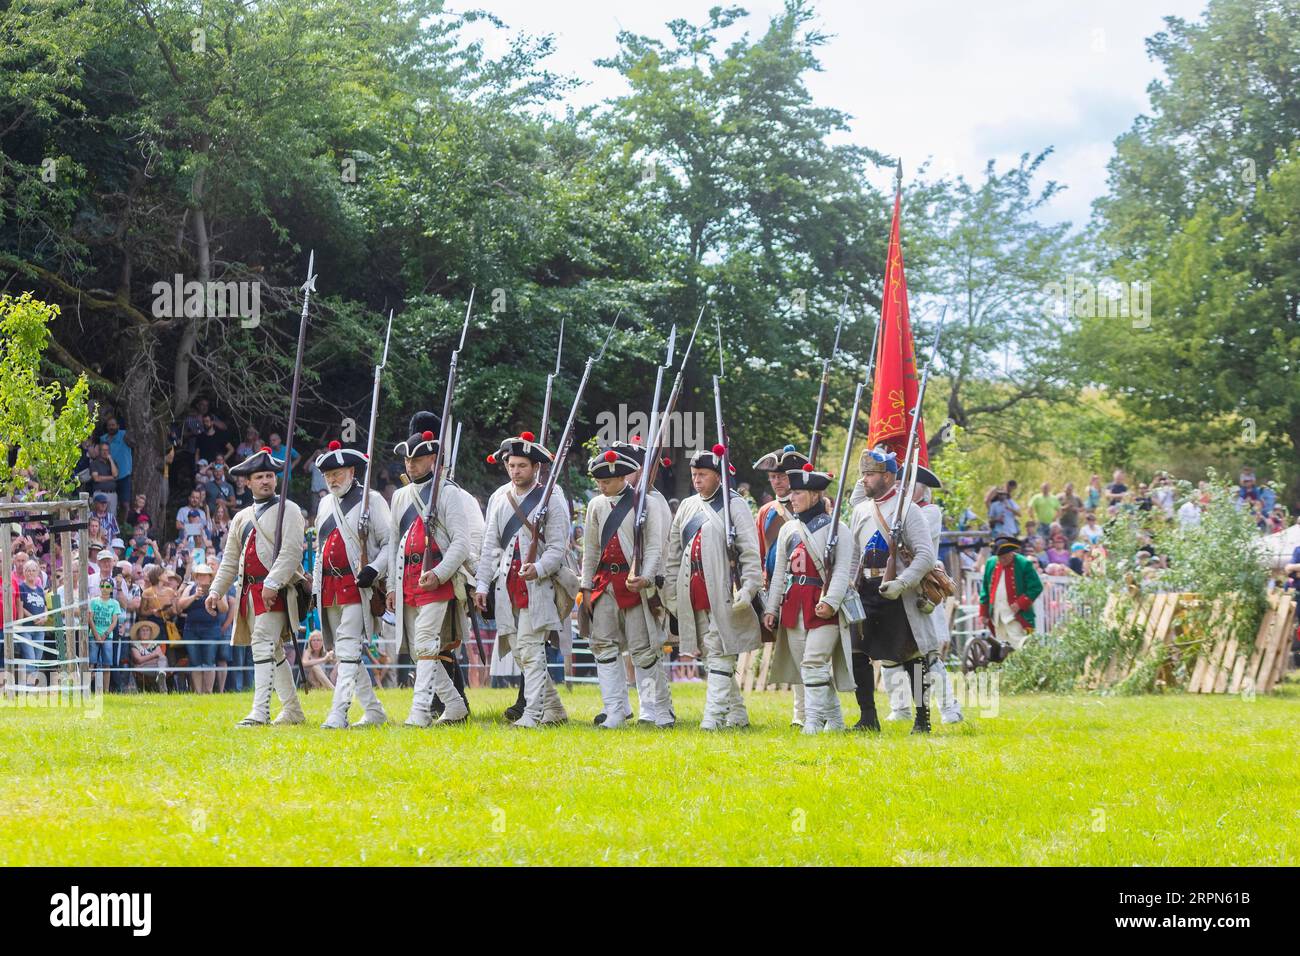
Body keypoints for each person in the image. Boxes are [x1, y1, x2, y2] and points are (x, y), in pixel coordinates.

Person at [475, 429, 573, 728]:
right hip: (507, 585)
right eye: (512, 465)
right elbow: (490, 545)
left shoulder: (550, 499)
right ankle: (554, 710)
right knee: (519, 652)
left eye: (522, 466)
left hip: (538, 586)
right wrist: (482, 584)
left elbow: (558, 546)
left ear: (535, 468)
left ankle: (533, 713)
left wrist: (540, 568)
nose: (515, 471)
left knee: (531, 650)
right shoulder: (502, 499)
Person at [663, 446, 763, 730]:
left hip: (724, 588)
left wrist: (750, 586)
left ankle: (713, 719)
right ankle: (738, 715)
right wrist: (671, 591)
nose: (697, 480)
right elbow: (673, 553)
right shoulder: (687, 506)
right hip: (693, 589)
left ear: (717, 475)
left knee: (720, 651)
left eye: (703, 474)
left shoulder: (735, 505)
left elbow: (749, 552)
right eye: (694, 474)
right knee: (711, 653)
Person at [206, 446, 307, 727]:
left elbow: (291, 552)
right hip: (249, 593)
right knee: (271, 651)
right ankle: (293, 711)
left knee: (262, 645)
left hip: (276, 592)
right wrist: (215, 590)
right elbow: (229, 560)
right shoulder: (241, 517)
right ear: (247, 482)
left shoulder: (290, 509)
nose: (266, 481)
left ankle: (260, 712)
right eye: (259, 477)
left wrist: (274, 583)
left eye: (269, 476)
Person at [386, 415, 475, 727]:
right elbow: (395, 542)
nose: (411, 465)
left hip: (437, 579)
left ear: (433, 459)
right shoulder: (399, 496)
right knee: (418, 649)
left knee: (425, 643)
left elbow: (461, 543)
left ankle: (420, 711)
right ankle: (454, 704)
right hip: (407, 578)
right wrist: (391, 587)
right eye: (408, 460)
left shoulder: (448, 492)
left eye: (418, 459)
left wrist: (440, 573)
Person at [849, 445, 941, 734]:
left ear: (888, 477)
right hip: (866, 589)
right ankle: (868, 718)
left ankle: (922, 718)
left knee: (911, 656)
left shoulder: (908, 509)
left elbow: (926, 555)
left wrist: (903, 583)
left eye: (870, 474)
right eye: (863, 473)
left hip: (899, 592)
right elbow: (854, 553)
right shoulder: (861, 509)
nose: (864, 479)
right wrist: (850, 585)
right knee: (856, 652)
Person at [579, 447, 672, 729]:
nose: (601, 486)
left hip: (635, 586)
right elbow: (591, 550)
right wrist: (584, 586)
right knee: (604, 647)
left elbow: (655, 545)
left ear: (622, 478)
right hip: (604, 584)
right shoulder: (596, 505)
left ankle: (651, 710)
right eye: (599, 482)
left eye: (606, 482)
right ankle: (615, 711)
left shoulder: (647, 503)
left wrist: (645, 577)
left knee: (643, 650)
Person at [761, 463, 856, 733]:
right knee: (809, 669)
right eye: (792, 493)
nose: (792, 498)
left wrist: (831, 601)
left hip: (822, 602)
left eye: (798, 493)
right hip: (793, 604)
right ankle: (835, 721)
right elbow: (780, 572)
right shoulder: (789, 530)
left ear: (815, 495)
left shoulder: (838, 529)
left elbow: (841, 571)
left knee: (814, 662)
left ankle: (812, 722)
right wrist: (771, 608)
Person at [312, 441, 390, 729]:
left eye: (338, 473)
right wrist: (315, 587)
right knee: (347, 653)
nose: (332, 479)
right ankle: (374, 711)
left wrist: (373, 568)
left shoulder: (372, 500)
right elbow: (321, 549)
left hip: (358, 584)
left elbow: (388, 543)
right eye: (328, 475)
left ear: (352, 471)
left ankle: (339, 712)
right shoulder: (324, 504)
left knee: (347, 648)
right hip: (329, 586)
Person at [752, 444, 808, 726]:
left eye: (782, 475)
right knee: (793, 652)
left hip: (807, 586)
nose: (777, 481)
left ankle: (817, 711)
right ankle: (800, 714)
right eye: (773, 476)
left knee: (811, 652)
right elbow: (760, 554)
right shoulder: (766, 512)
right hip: (777, 590)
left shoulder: (813, 506)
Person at [979, 536, 1044, 655]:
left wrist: (1020, 603)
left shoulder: (1024, 564)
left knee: (1018, 647)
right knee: (1001, 648)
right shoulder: (991, 563)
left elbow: (1036, 586)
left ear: (1011, 553)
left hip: (1016, 616)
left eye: (1004, 557)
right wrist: (983, 613)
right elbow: (985, 590)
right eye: (999, 557)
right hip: (997, 616)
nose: (1001, 560)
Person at [177, 563, 226, 693]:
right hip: (191, 629)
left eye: (205, 575)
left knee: (209, 661)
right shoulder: (191, 588)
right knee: (195, 661)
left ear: (211, 577)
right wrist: (194, 597)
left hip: (211, 629)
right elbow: (180, 605)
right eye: (199, 575)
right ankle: (199, 693)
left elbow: (224, 608)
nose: (202, 578)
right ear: (196, 577)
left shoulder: (217, 589)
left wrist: (215, 595)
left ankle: (208, 692)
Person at [99, 417, 135, 516]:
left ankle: (124, 526)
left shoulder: (124, 435)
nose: (111, 427)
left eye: (113, 425)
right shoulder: (103, 439)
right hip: (109, 475)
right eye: (109, 425)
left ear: (118, 426)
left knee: (125, 503)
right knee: (107, 501)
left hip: (124, 474)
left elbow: (133, 443)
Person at [88, 579, 122, 684]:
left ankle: (106, 691)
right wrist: (96, 634)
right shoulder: (93, 601)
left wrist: (105, 635)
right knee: (91, 663)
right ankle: (86, 689)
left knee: (107, 664)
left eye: (107, 587)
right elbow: (90, 619)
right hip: (93, 635)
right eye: (102, 586)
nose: (104, 589)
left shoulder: (115, 603)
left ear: (111, 589)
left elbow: (114, 622)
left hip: (108, 637)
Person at [129, 620, 168, 692]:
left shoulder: (155, 644)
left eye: (147, 630)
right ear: (138, 633)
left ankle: (161, 675)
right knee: (160, 666)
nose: (145, 632)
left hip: (153, 667)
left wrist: (145, 659)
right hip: (141, 669)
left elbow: (161, 657)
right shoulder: (135, 644)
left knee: (163, 660)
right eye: (142, 630)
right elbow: (138, 660)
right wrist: (153, 655)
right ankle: (163, 689)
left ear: (150, 633)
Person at [89, 442, 119, 516]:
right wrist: (111, 477)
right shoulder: (94, 463)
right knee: (98, 516)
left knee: (112, 517)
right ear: (99, 451)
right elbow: (96, 478)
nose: (105, 452)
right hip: (100, 493)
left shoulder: (113, 463)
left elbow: (115, 474)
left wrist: (111, 460)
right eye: (103, 450)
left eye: (107, 450)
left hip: (112, 494)